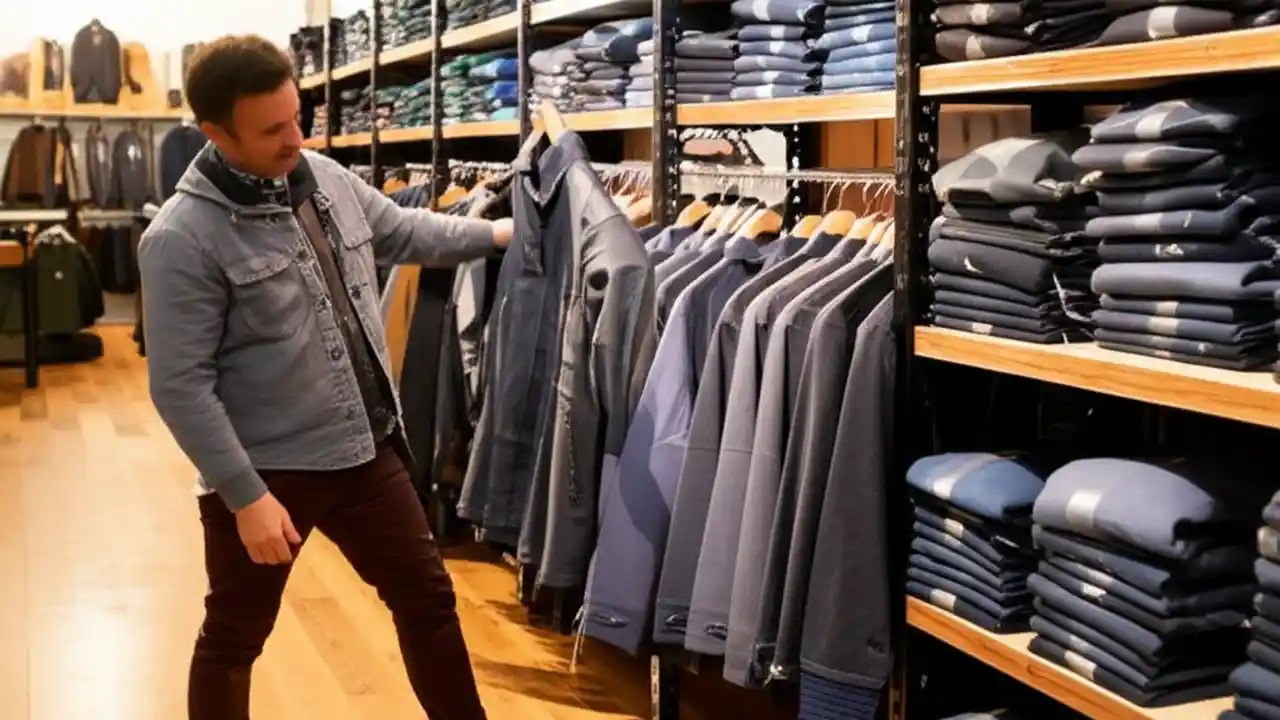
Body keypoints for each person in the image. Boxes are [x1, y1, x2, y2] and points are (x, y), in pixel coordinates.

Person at [138, 35, 507, 720]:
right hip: (268, 470)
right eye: (273, 129)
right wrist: (246, 498)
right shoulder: (182, 238)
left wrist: (496, 236)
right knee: (234, 639)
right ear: (215, 133)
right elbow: (180, 385)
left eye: (297, 118)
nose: (295, 139)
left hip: (366, 448)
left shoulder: (325, 177)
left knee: (427, 601)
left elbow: (403, 231)